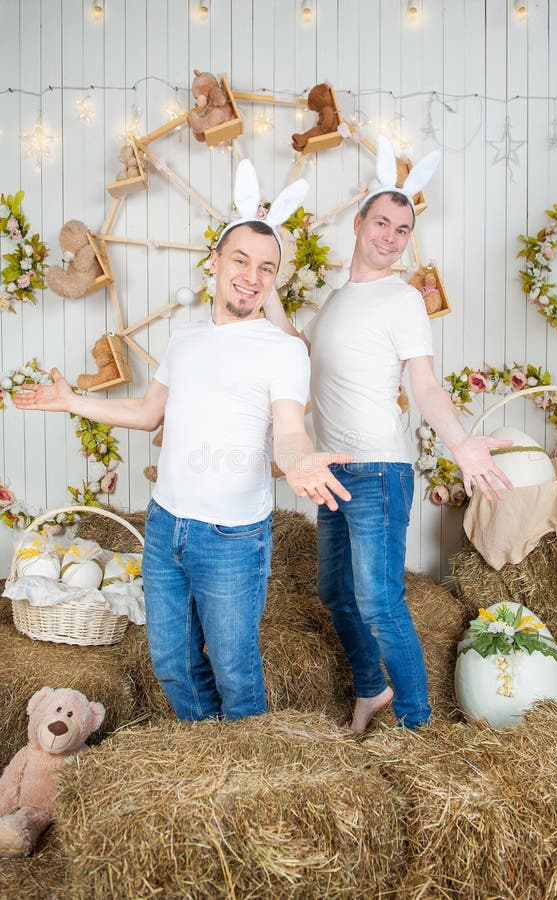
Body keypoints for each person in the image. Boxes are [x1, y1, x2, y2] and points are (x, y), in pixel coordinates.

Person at [13, 161, 352, 723]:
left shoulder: (281, 349)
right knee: (171, 663)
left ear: (274, 279)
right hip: (166, 524)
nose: (252, 275)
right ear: (214, 261)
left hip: (231, 538)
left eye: (266, 268)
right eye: (241, 260)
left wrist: (298, 462)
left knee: (234, 669)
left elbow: (290, 427)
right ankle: (205, 759)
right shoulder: (186, 337)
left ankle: (244, 777)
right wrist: (73, 401)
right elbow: (149, 413)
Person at [263, 138, 512, 733]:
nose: (391, 236)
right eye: (382, 222)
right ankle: (372, 690)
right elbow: (303, 351)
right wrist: (266, 288)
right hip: (334, 468)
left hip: (379, 469)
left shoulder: (404, 300)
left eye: (403, 229)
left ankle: (417, 724)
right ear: (359, 223)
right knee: (335, 593)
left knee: (378, 600)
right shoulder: (338, 301)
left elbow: (424, 387)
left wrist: (459, 443)